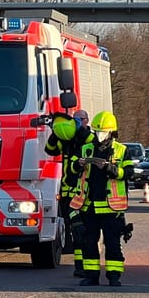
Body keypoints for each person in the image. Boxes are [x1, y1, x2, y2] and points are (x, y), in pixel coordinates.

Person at [70, 110, 134, 287]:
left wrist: (110, 169)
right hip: (89, 206)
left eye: (103, 132)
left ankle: (114, 276)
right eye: (96, 131)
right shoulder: (86, 148)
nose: (99, 135)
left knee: (113, 244)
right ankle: (91, 276)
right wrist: (78, 164)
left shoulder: (122, 150)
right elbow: (71, 170)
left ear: (111, 132)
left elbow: (128, 173)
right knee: (89, 243)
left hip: (111, 208)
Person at [44, 109, 92, 277]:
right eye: (75, 119)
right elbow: (50, 150)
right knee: (75, 230)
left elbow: (90, 143)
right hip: (67, 192)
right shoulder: (66, 139)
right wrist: (56, 132)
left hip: (85, 192)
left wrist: (80, 131)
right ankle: (80, 267)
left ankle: (86, 267)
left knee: (83, 230)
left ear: (87, 120)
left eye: (81, 119)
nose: (78, 121)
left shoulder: (89, 138)